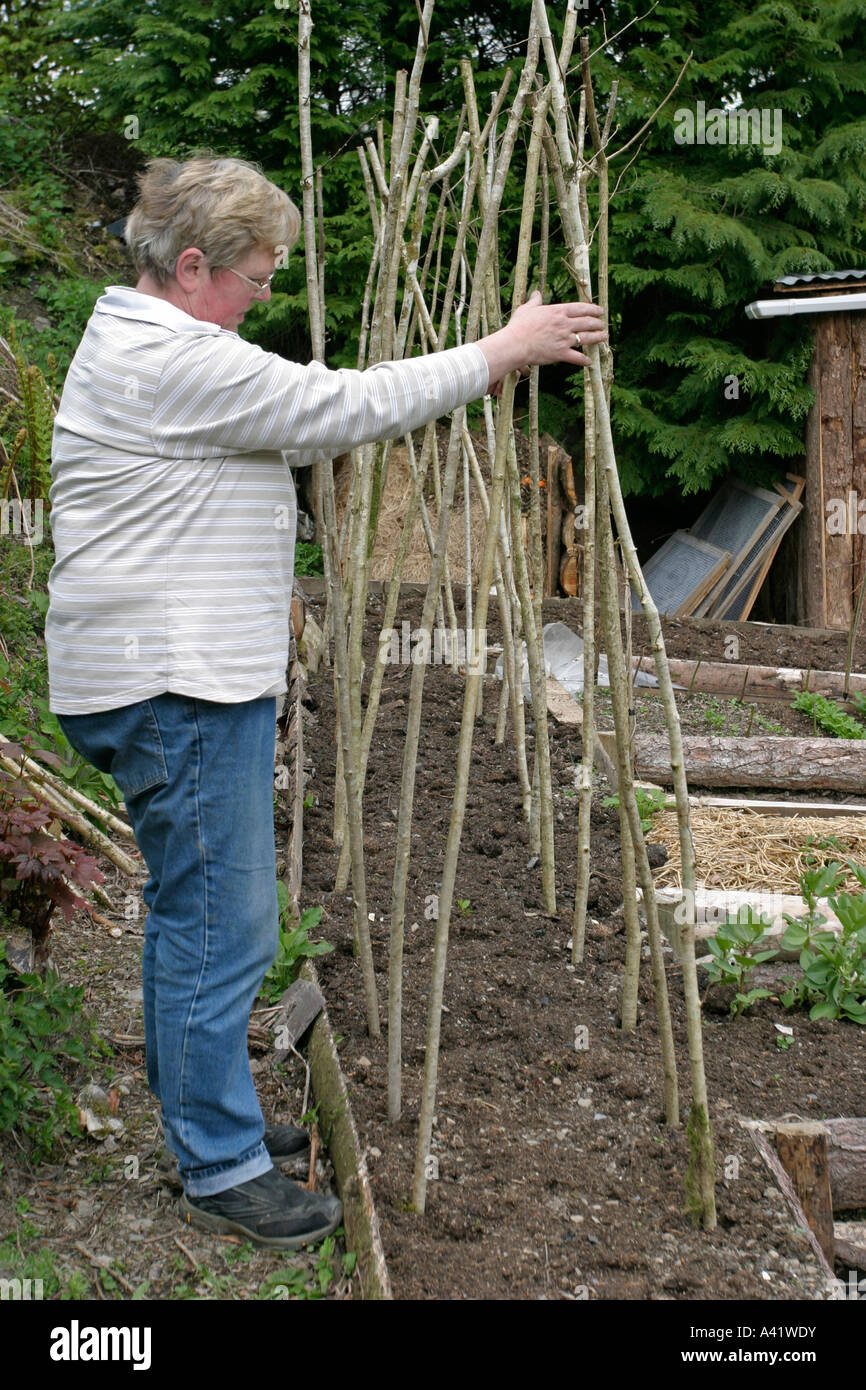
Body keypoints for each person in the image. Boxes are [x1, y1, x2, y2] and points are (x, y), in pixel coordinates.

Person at [44, 155, 607, 1251]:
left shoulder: (156, 346)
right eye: (257, 278)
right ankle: (220, 1167)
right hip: (178, 684)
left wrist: (471, 373)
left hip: (155, 674)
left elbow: (304, 421)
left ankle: (202, 1124)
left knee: (186, 913)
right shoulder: (170, 360)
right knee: (225, 928)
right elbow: (335, 406)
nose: (266, 296)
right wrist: (500, 349)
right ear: (193, 263)